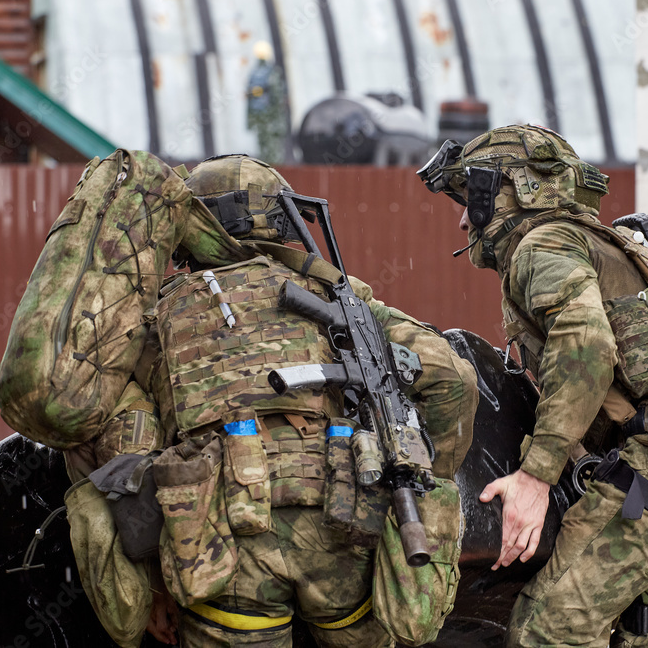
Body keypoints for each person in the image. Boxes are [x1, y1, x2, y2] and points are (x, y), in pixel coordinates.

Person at [82, 154, 478, 647]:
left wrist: (152, 584)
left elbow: (123, 449)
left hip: (222, 545)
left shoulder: (155, 320)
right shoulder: (340, 298)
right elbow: (451, 380)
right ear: (280, 217)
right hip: (344, 526)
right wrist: (415, 476)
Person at [417, 125, 648, 647]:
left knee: (549, 631)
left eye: (470, 198)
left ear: (515, 190)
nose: (463, 218)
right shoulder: (607, 245)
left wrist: (536, 477)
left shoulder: (543, 244)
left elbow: (587, 348)